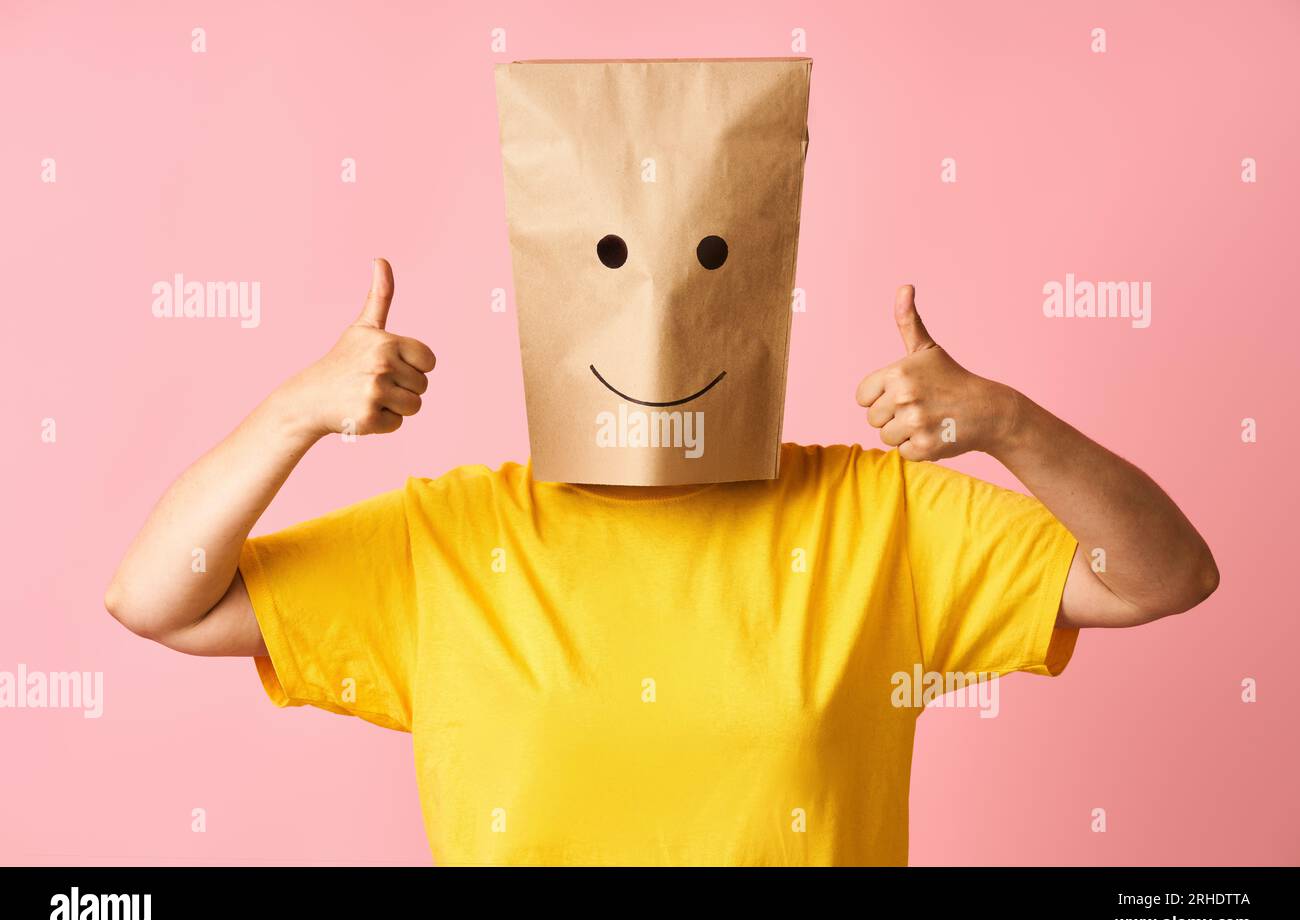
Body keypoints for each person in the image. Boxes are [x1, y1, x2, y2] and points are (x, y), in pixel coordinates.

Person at [105, 258, 1218, 865]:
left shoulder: (878, 517)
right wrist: (295, 413)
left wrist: (1011, 425)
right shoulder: (449, 535)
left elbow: (1162, 578)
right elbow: (157, 599)